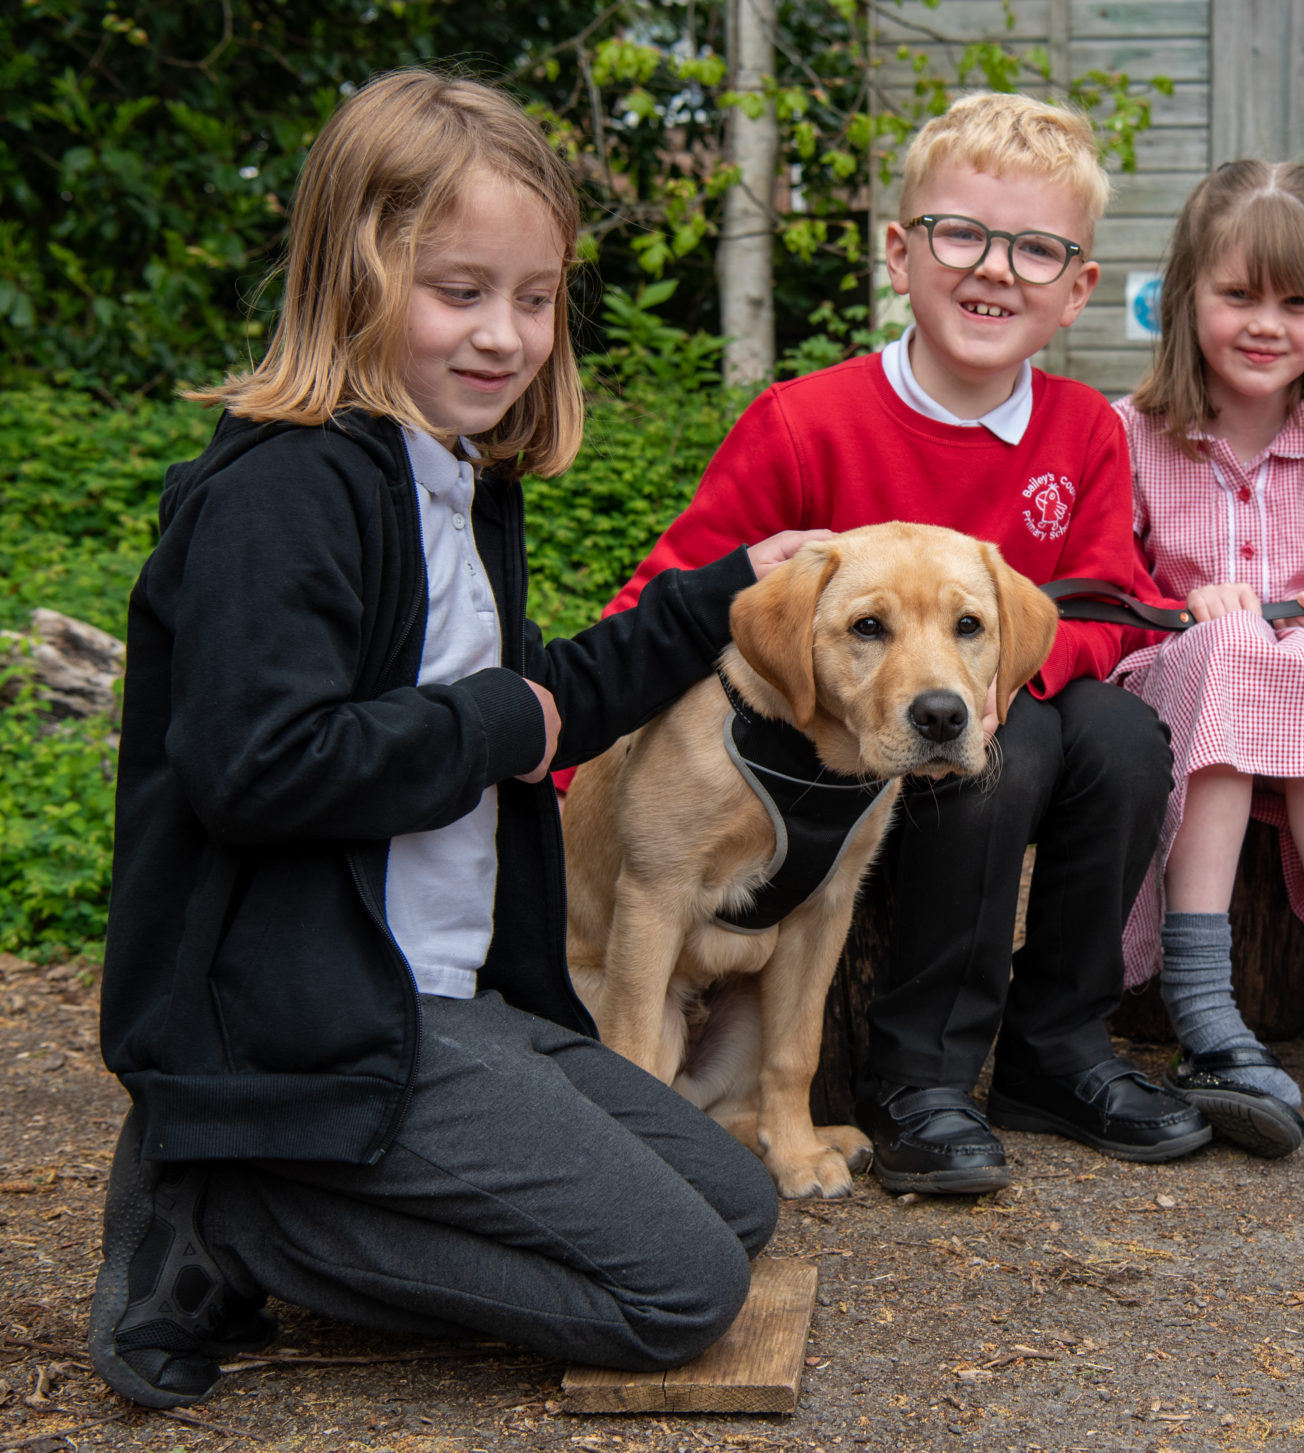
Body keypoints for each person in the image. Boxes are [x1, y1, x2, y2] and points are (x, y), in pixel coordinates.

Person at [90, 69, 823, 1410]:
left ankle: (314, 1185)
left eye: (534, 299)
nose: (505, 336)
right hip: (308, 1017)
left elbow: (531, 695)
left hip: (439, 1000)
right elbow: (259, 767)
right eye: (460, 291)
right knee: (678, 1291)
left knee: (732, 1204)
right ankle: (234, 1210)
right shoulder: (285, 491)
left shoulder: (453, 474)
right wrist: (500, 721)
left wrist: (728, 591)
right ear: (351, 277)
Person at [567, 92, 1197, 1196]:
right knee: (1022, 759)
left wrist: (1012, 679)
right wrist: (562, 748)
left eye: (1036, 249)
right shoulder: (804, 421)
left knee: (1118, 736)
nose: (995, 271)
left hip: (951, 744)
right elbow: (682, 592)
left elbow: (1103, 601)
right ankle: (920, 1084)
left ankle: (1054, 1045)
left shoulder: (1084, 429)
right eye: (962, 234)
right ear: (899, 254)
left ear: (1075, 289)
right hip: (809, 776)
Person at [1109, 161, 1304, 1155]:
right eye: (1236, 294)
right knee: (1236, 635)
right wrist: (1179, 608)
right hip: (1172, 689)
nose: (1265, 323)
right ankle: (1202, 1007)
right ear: (1184, 293)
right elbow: (1105, 595)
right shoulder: (1130, 433)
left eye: (1295, 301)